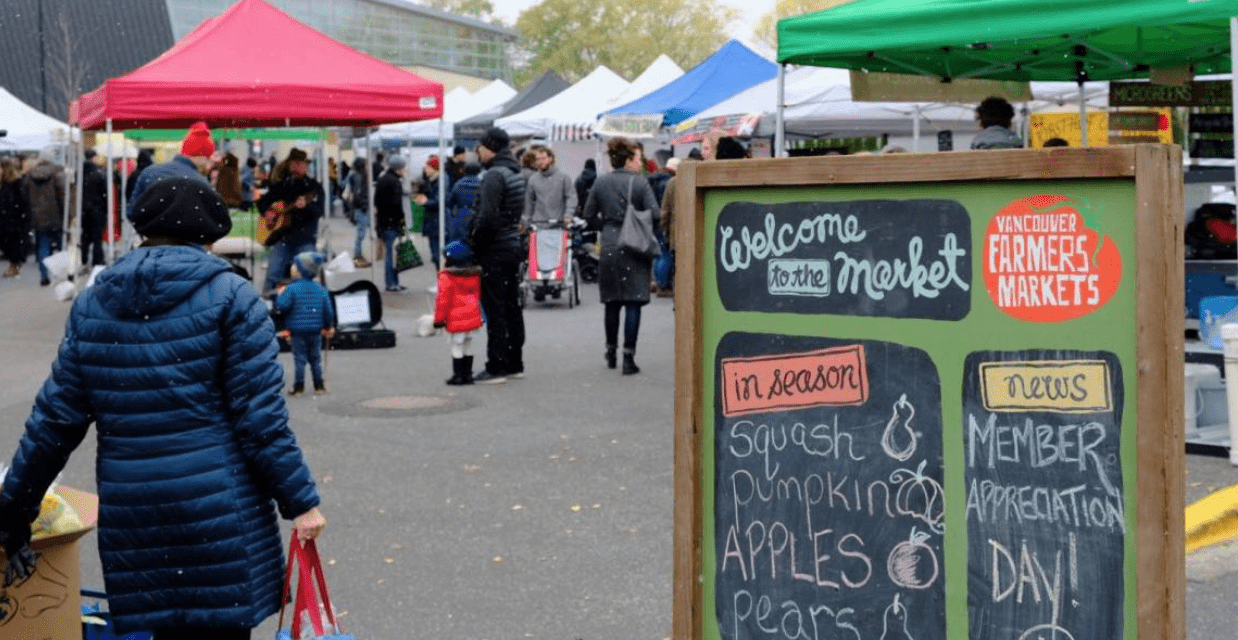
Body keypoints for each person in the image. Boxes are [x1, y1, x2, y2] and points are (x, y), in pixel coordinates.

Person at [0, 176, 326, 640]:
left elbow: (54, 421)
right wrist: (302, 503)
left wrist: (14, 513)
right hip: (217, 509)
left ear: (142, 228)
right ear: (209, 236)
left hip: (135, 512)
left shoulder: (93, 303)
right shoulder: (234, 299)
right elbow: (261, 421)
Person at [583, 136, 660, 375]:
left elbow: (588, 215)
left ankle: (610, 351)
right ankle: (629, 357)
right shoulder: (639, 184)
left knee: (612, 302)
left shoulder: (600, 182)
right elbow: (655, 213)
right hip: (634, 245)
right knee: (634, 301)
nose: (640, 163)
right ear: (628, 159)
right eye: (638, 158)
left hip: (609, 243)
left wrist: (606, 224)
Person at [468, 126, 526, 384]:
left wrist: (475, 244)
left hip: (495, 249)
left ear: (489, 147)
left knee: (496, 308)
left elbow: (488, 217)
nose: (477, 151)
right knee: (512, 306)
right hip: (512, 245)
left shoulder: (493, 175)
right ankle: (514, 362)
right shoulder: (515, 173)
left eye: (479, 146)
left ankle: (496, 366)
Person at [257, 148, 324, 295]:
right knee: (272, 277)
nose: (297, 166)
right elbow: (264, 201)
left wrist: (305, 207)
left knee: (309, 277)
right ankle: (271, 307)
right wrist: (267, 212)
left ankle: (309, 306)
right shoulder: (282, 185)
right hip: (282, 238)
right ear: (289, 164)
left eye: (300, 163)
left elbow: (319, 211)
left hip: (305, 238)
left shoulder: (313, 187)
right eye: (294, 163)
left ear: (305, 165)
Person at [127, 121, 215, 221]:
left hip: (151, 234)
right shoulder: (200, 182)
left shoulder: (149, 172)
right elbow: (208, 221)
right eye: (208, 159)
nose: (209, 165)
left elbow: (132, 212)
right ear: (201, 156)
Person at [276, 251, 336, 396]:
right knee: (316, 359)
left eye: (294, 266)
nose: (292, 268)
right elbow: (328, 311)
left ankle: (299, 387)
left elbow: (282, 306)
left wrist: (280, 295)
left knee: (300, 359)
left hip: (297, 331)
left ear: (299, 270)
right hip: (316, 330)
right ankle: (319, 386)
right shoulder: (321, 289)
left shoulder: (291, 289)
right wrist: (328, 326)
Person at [434, 240, 484, 386]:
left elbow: (442, 302)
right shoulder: (474, 274)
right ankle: (468, 375)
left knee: (457, 346)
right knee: (468, 344)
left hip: (456, 319)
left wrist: (438, 321)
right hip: (473, 317)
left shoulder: (447, 277)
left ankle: (458, 375)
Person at [21, 146, 66, 286]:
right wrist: (68, 216)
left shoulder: (30, 175)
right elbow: (63, 196)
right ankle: (65, 274)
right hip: (56, 216)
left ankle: (43, 275)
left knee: (43, 247)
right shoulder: (58, 173)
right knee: (61, 245)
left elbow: (25, 196)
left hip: (38, 217)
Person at [374, 154, 408, 292]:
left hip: (383, 221)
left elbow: (376, 201)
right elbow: (396, 205)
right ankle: (391, 283)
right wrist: (402, 224)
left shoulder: (382, 179)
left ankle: (394, 282)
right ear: (398, 168)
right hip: (392, 223)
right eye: (403, 168)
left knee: (391, 254)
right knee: (392, 255)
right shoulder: (395, 182)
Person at [523, 144, 576, 228]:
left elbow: (571, 197)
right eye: (537, 159)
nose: (540, 162)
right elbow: (529, 202)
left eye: (543, 158)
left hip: (559, 224)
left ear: (551, 158)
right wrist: (526, 221)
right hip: (539, 224)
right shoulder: (533, 179)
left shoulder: (563, 177)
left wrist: (568, 214)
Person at [0, 157, 30, 278]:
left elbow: (22, 203)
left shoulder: (15, 183)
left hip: (13, 220)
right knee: (9, 244)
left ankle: (14, 265)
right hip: (7, 219)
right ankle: (14, 265)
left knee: (12, 244)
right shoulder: (6, 183)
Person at [79, 149, 108, 270]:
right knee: (97, 237)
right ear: (94, 157)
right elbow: (105, 193)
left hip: (83, 209)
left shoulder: (80, 173)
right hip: (96, 209)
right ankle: (98, 260)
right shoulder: (99, 173)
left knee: (85, 236)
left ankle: (84, 258)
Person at [414, 155, 443, 269]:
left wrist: (426, 202)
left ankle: (441, 283)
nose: (425, 169)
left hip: (436, 222)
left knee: (437, 256)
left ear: (434, 168)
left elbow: (439, 201)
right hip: (432, 222)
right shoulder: (431, 181)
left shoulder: (440, 181)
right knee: (435, 255)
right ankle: (439, 282)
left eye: (428, 167)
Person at [446, 162, 481, 245]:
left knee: (459, 242)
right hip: (477, 215)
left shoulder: (458, 184)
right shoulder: (483, 183)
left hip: (461, 215)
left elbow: (450, 201)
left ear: (465, 171)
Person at [347, 158, 371, 268]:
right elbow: (358, 193)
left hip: (359, 207)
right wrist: (364, 204)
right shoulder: (358, 176)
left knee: (360, 234)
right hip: (361, 208)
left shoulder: (355, 175)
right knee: (360, 234)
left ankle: (358, 256)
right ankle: (357, 257)